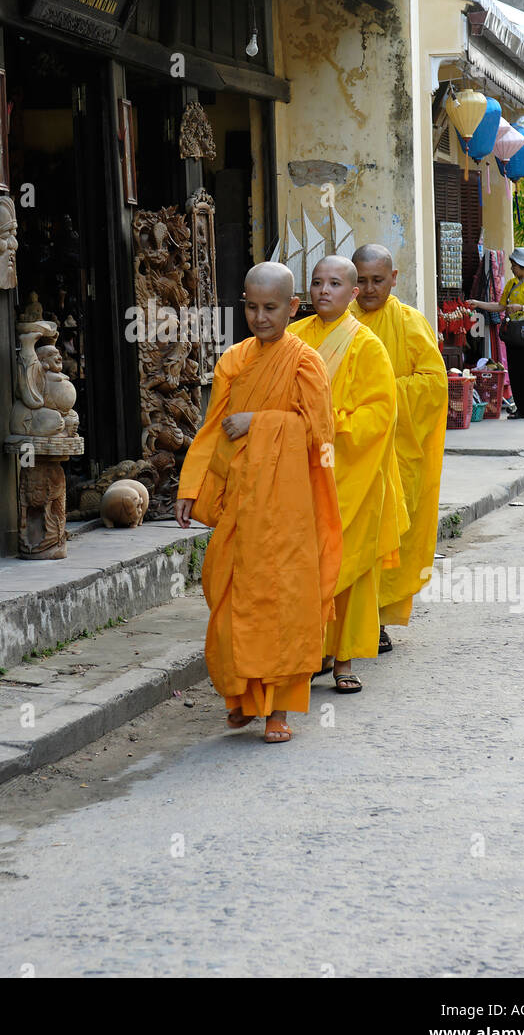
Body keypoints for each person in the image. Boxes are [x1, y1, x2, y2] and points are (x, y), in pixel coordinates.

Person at [175, 262, 342, 743]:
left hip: (289, 509)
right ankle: (242, 698)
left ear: (292, 307)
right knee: (231, 601)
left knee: (284, 606)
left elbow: (318, 433)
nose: (260, 317)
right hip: (242, 504)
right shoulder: (234, 361)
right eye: (251, 307)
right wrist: (191, 487)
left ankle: (278, 713)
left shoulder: (306, 363)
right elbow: (212, 431)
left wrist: (260, 421)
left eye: (271, 308)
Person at [290, 257, 407, 694]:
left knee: (350, 570)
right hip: (305, 471)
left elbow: (380, 413)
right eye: (317, 282)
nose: (324, 291)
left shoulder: (366, 344)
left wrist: (331, 423)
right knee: (309, 565)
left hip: (356, 473)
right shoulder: (294, 338)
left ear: (353, 294)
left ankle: (344, 660)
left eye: (335, 284)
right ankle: (312, 651)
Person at [350, 244, 449, 649]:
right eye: (361, 281)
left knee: (388, 533)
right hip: (351, 450)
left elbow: (435, 383)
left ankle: (378, 618)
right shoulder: (338, 322)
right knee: (353, 534)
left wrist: (382, 396)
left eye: (378, 280)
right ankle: (343, 623)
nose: (369, 289)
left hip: (397, 451)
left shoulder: (409, 322)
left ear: (394, 278)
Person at [466, 247, 524, 421]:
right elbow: (500, 306)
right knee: (516, 371)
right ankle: (522, 408)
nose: (512, 268)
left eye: (514, 265)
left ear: (522, 265)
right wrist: (478, 303)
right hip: (513, 334)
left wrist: (522, 308)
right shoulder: (511, 284)